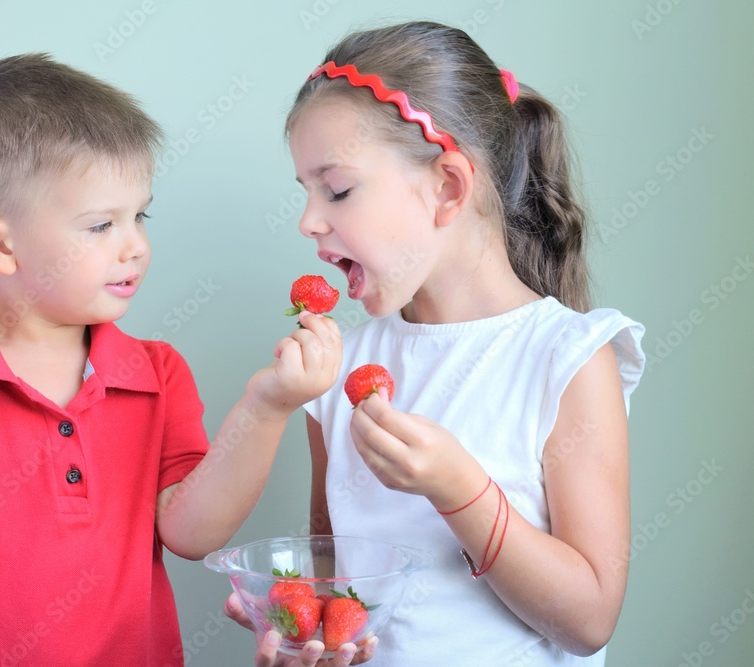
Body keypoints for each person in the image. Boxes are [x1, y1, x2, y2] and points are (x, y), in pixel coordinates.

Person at [0, 53, 342, 666]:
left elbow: (190, 532)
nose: (136, 246)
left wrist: (267, 407)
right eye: (101, 225)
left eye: (139, 216)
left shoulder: (157, 375)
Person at [226, 21, 645, 666]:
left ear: (448, 186)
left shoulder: (568, 357)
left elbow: (589, 619)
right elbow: (340, 582)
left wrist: (461, 491)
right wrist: (307, 633)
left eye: (337, 190)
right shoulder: (342, 368)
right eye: (306, 194)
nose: (309, 221)